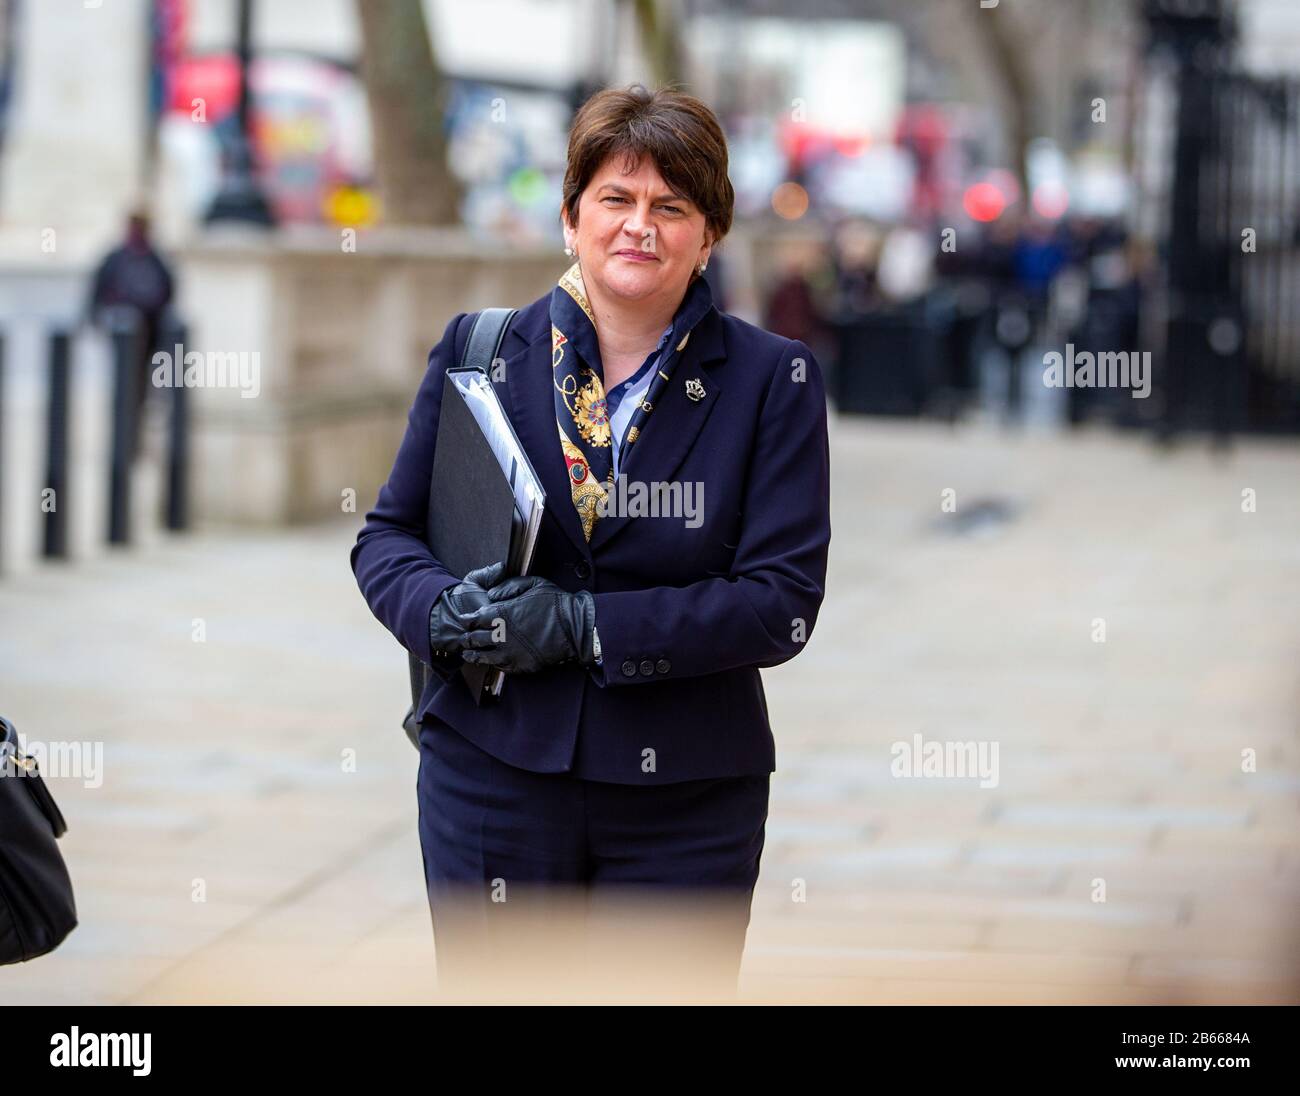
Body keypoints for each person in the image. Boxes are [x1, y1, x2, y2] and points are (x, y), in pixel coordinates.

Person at [350, 85, 832, 1000]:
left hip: (684, 801)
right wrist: (440, 613)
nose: (638, 226)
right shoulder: (478, 348)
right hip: (491, 777)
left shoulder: (775, 380)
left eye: (671, 206)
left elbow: (781, 604)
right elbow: (387, 540)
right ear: (571, 216)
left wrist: (582, 626)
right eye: (615, 199)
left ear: (709, 233)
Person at [86, 208, 175, 462]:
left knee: (133, 391)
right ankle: (125, 441)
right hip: (130, 336)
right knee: (130, 390)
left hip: (143, 336)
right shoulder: (135, 257)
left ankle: (128, 441)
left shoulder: (134, 257)